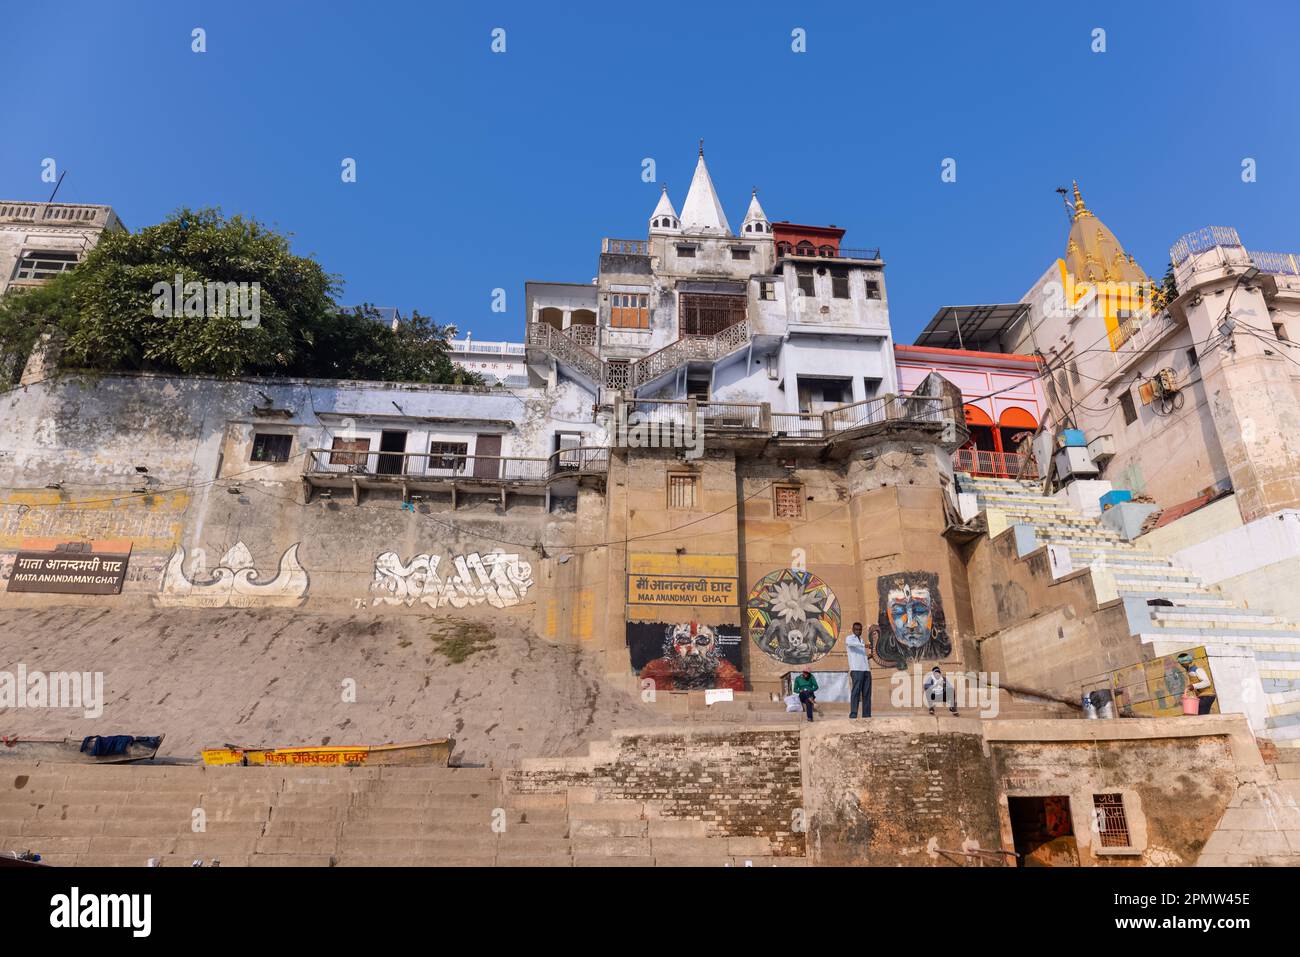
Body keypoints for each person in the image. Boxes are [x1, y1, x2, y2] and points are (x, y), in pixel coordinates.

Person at [845, 622, 874, 718]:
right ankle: (853, 714)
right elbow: (851, 644)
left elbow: (860, 656)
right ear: (853, 630)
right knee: (856, 692)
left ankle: (866, 715)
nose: (858, 631)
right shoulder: (850, 638)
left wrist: (867, 657)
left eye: (860, 629)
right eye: (856, 629)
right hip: (856, 669)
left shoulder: (861, 640)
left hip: (866, 669)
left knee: (867, 693)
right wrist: (865, 645)